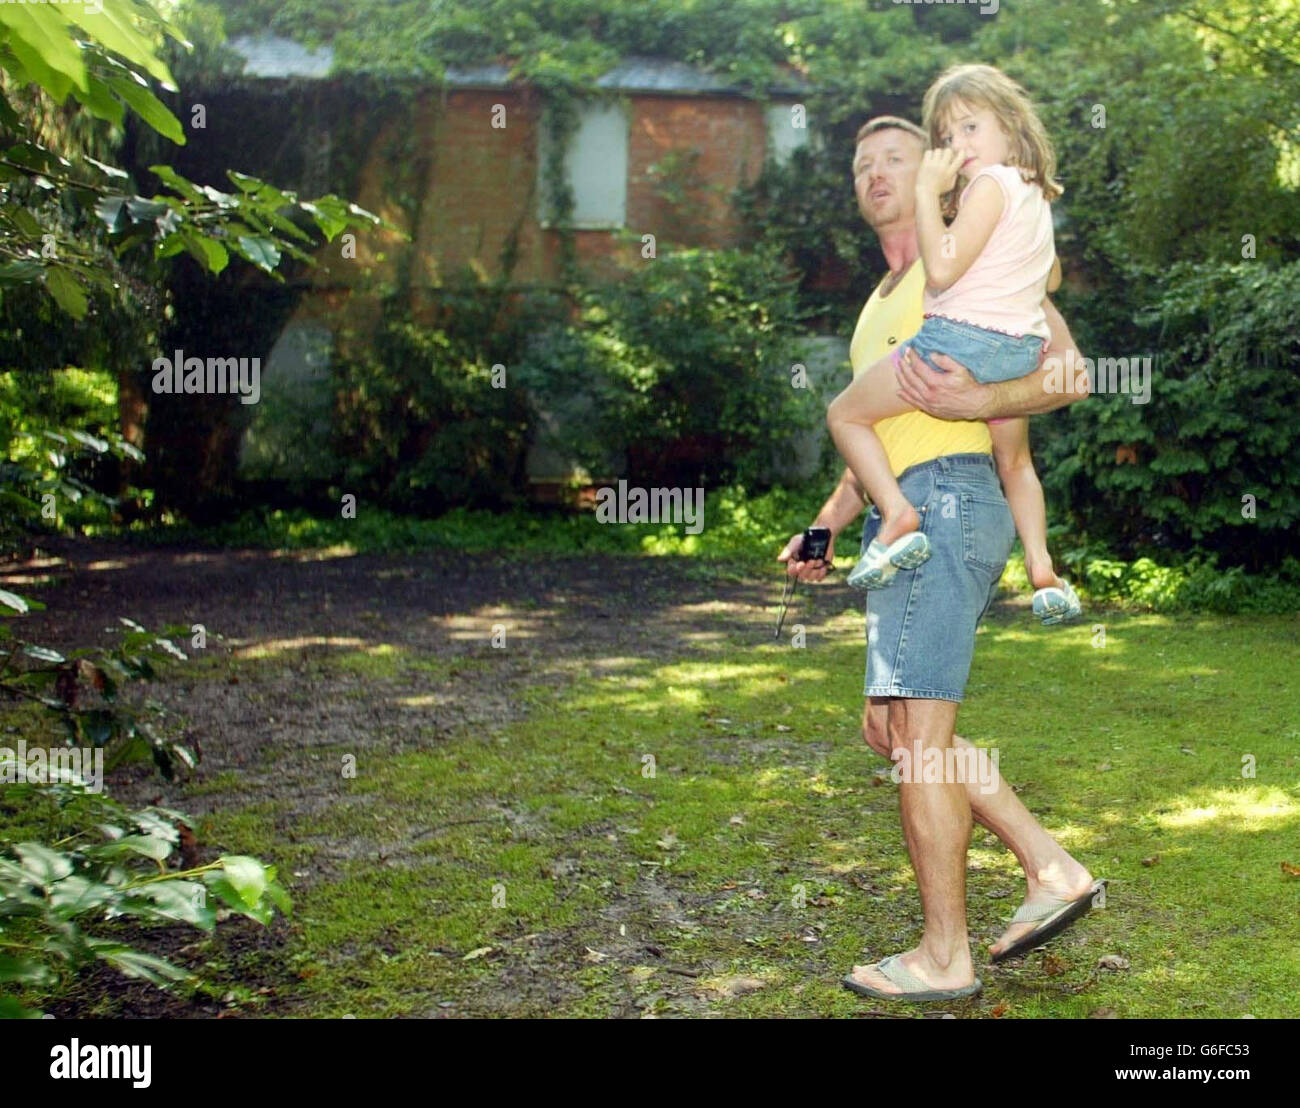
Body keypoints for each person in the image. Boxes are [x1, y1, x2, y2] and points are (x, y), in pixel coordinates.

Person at [777, 113, 1104, 1001]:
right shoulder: (879, 305)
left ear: (941, 169)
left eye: (898, 157)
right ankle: (1049, 868)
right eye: (862, 164)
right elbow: (876, 436)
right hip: (908, 512)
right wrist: (825, 526)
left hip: (954, 498)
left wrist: (982, 395)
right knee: (902, 734)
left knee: (919, 741)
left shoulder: (977, 260)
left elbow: (1070, 374)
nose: (878, 171)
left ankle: (945, 956)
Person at [826, 64, 1079, 623]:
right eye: (948, 137)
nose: (958, 145)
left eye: (969, 129)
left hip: (959, 344)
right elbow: (1050, 277)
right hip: (1014, 348)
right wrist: (822, 530)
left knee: (844, 414)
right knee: (1018, 464)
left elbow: (940, 270)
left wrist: (928, 195)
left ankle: (897, 516)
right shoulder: (1026, 196)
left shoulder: (986, 191)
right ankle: (1043, 569)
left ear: (1010, 128)